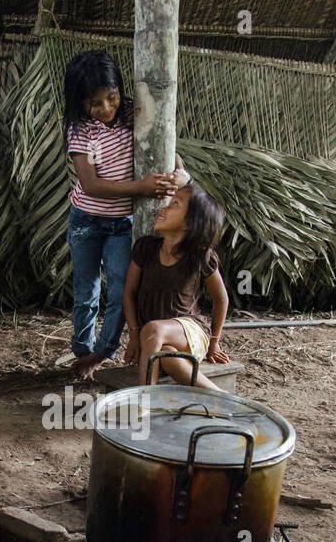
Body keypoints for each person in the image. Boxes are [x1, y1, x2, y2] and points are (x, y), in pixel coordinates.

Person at [63, 50, 186, 379]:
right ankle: (82, 349)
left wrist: (179, 176)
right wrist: (142, 187)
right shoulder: (80, 130)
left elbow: (170, 155)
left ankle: (101, 353)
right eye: (94, 103)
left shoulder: (136, 113)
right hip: (85, 222)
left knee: (120, 289)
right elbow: (90, 185)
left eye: (111, 97)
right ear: (80, 102)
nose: (105, 108)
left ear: (120, 89)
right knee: (86, 290)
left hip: (122, 226)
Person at [122, 182, 230, 391]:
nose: (164, 208)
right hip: (153, 339)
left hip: (190, 331)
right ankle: (221, 396)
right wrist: (134, 335)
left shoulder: (201, 256)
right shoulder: (145, 248)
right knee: (166, 356)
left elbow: (221, 299)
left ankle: (145, 402)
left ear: (188, 223)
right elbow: (129, 292)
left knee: (154, 329)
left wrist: (214, 341)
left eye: (175, 204)